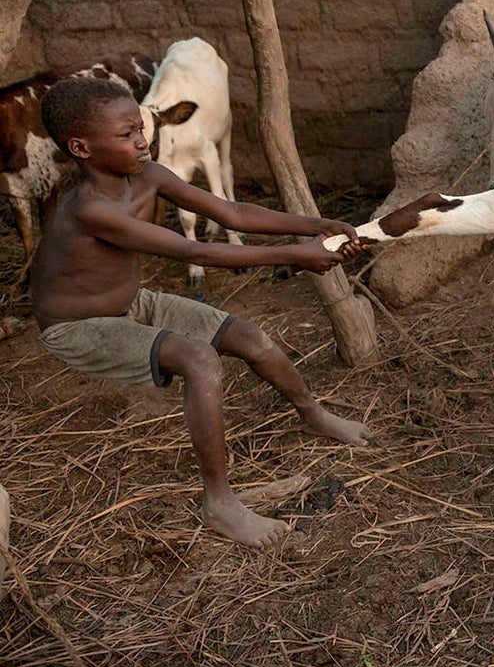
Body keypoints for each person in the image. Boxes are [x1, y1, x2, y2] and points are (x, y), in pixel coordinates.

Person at [31, 76, 374, 548]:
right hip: (78, 328)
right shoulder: (91, 210)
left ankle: (311, 411)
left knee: (250, 337)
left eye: (140, 128)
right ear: (81, 147)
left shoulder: (148, 175)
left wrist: (316, 225)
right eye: (126, 134)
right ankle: (220, 502)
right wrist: (297, 254)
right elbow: (200, 253)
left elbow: (231, 214)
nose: (142, 140)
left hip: (131, 302)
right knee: (200, 359)